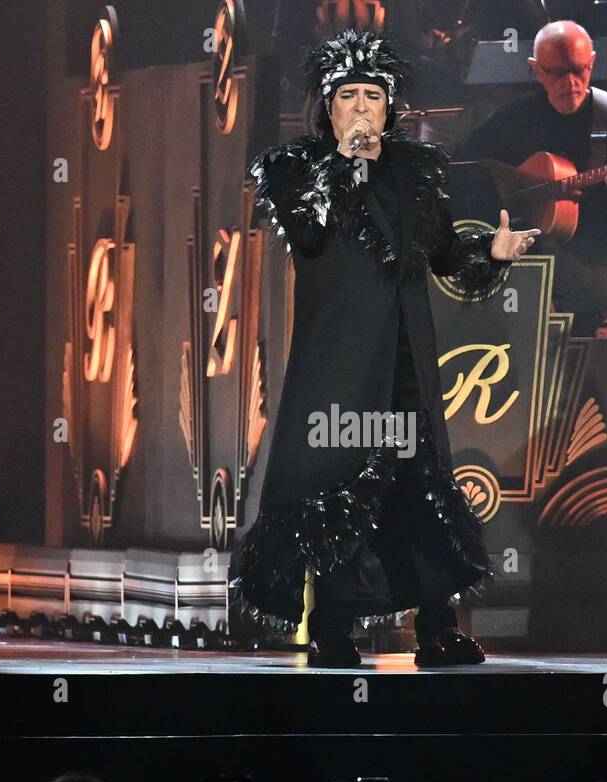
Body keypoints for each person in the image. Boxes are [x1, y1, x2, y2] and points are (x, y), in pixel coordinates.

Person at [229, 29, 540, 668]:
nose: (364, 108)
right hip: (339, 362)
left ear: (391, 105)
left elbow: (448, 255)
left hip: (404, 357)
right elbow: (310, 235)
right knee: (338, 486)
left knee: (418, 484)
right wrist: (345, 163)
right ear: (328, 104)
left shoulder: (419, 170)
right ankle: (333, 631)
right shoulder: (293, 168)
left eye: (375, 95)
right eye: (350, 96)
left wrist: (493, 254)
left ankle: (435, 630)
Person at [457, 20, 607, 336]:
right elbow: (464, 164)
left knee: (527, 251)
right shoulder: (516, 116)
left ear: (593, 62)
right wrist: (507, 188)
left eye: (580, 69)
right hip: (540, 246)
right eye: (557, 72)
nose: (570, 81)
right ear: (536, 69)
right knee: (514, 235)